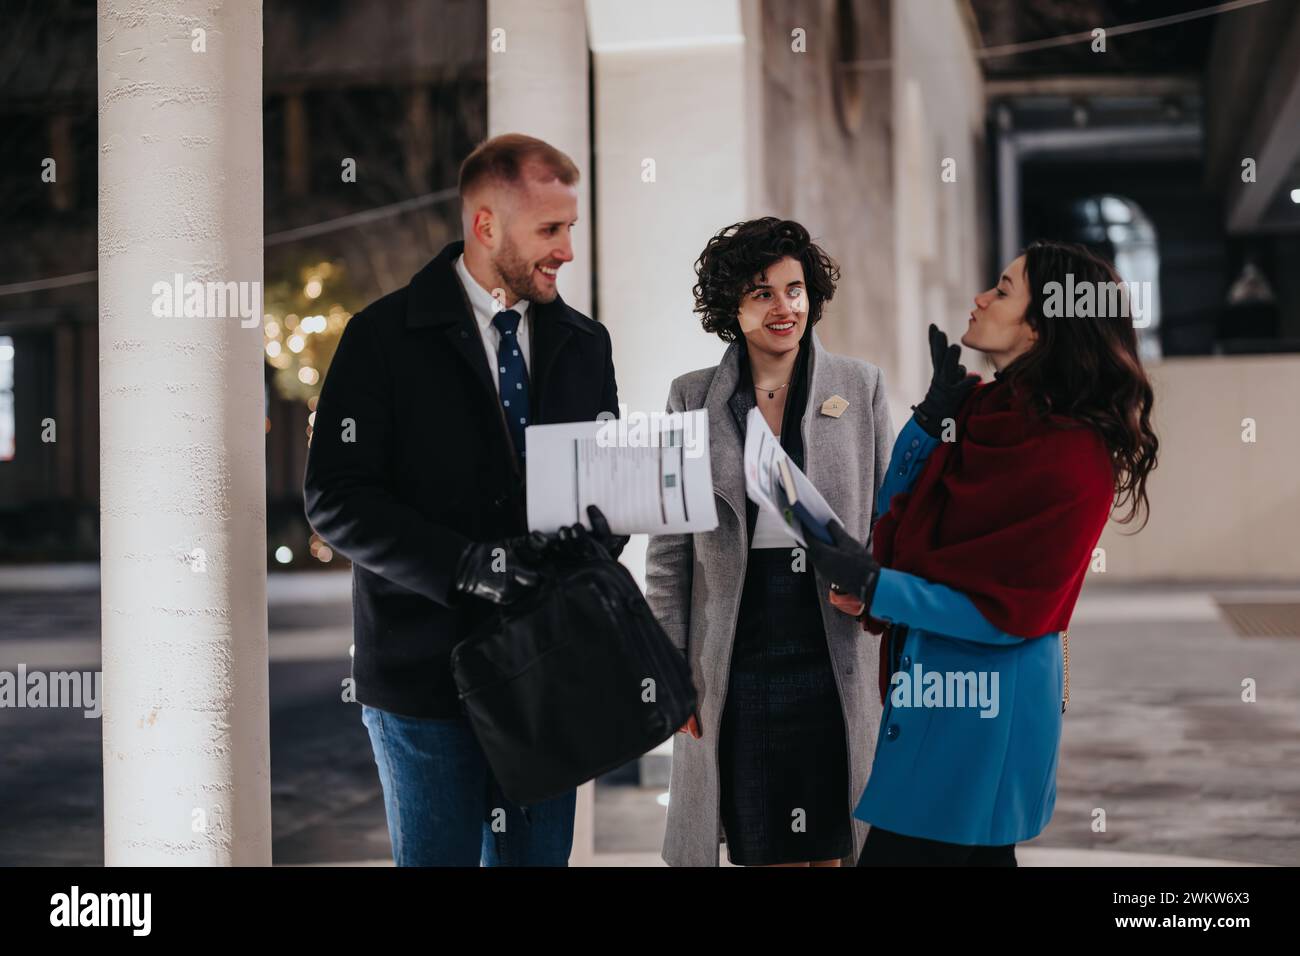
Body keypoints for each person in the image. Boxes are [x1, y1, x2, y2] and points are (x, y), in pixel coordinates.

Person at [304, 133, 624, 866]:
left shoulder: (587, 343)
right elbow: (337, 497)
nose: (567, 250)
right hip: (423, 678)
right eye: (550, 230)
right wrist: (466, 566)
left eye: (570, 228)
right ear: (485, 225)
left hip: (551, 669)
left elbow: (601, 487)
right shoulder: (380, 337)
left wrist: (602, 537)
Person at [806, 239, 1159, 866]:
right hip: (927, 685)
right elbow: (894, 507)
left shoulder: (1074, 457)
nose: (980, 298)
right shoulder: (981, 408)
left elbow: (1008, 610)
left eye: (1002, 289)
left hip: (988, 708)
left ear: (1044, 326)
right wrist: (930, 417)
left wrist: (878, 585)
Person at [645, 218, 894, 867]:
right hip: (738, 650)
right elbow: (670, 555)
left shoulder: (860, 386)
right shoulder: (691, 399)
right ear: (731, 305)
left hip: (833, 648)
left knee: (834, 846)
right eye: (762, 293)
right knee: (766, 845)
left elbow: (892, 522)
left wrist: (876, 592)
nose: (785, 307)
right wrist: (669, 671)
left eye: (795, 289)